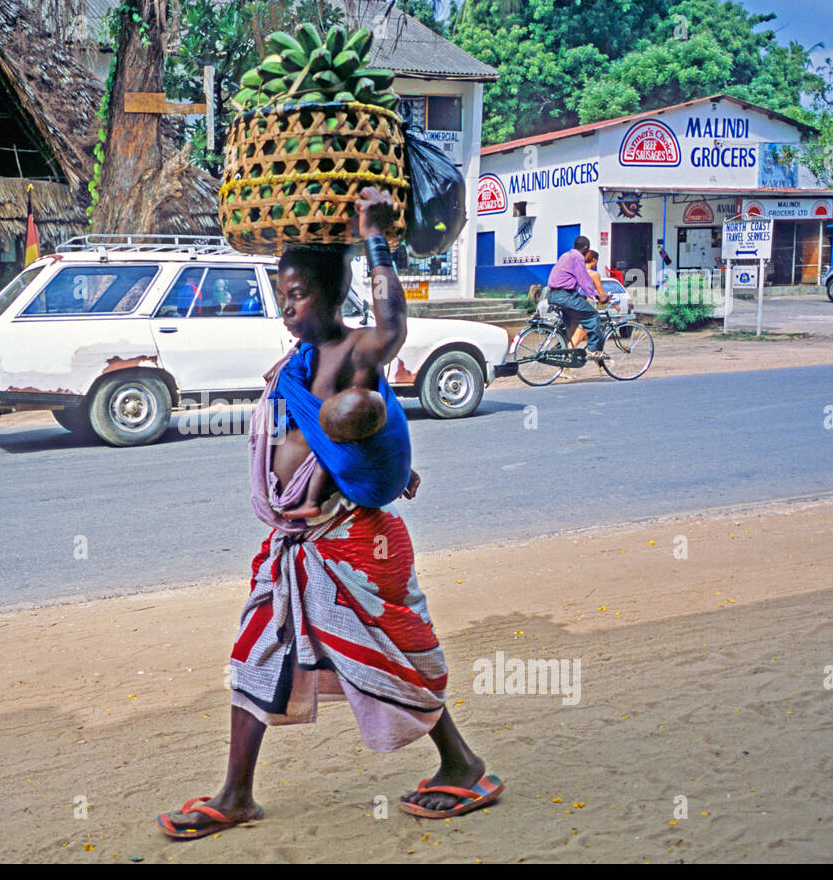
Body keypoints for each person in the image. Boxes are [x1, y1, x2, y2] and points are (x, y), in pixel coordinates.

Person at [157, 187, 503, 840]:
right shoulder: (299, 364)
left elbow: (393, 326)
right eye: (282, 295)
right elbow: (331, 441)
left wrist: (374, 236)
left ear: (334, 294)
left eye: (300, 294)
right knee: (256, 650)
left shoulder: (357, 356)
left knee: (390, 652)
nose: (288, 308)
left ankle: (464, 765)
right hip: (293, 543)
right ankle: (235, 793)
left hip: (352, 544)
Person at [546, 235, 609, 359]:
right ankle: (593, 350)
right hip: (564, 295)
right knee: (593, 316)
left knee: (571, 325)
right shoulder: (578, 257)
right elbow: (583, 279)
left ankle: (560, 349)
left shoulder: (566, 255)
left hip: (553, 294)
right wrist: (596, 296)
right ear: (585, 248)